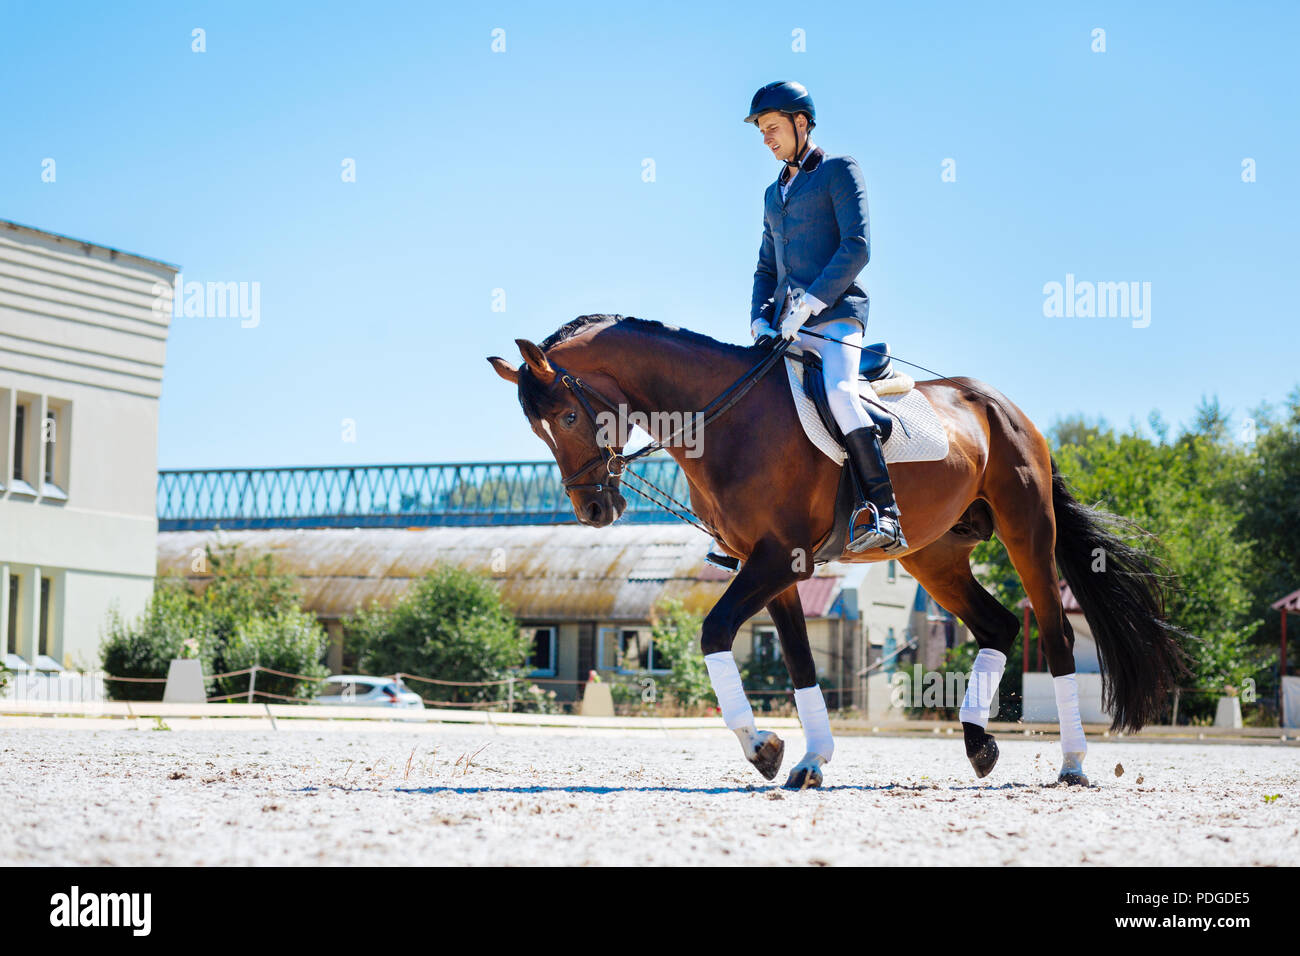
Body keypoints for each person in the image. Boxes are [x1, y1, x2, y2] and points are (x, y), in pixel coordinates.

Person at [706, 81, 907, 572]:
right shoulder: (773, 194)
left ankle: (884, 511)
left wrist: (812, 303)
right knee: (746, 403)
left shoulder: (840, 171)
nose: (766, 139)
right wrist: (759, 315)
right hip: (782, 330)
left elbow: (856, 247)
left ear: (801, 123)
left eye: (772, 128)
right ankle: (740, 526)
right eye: (761, 131)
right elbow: (764, 269)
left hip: (837, 318)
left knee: (839, 392)